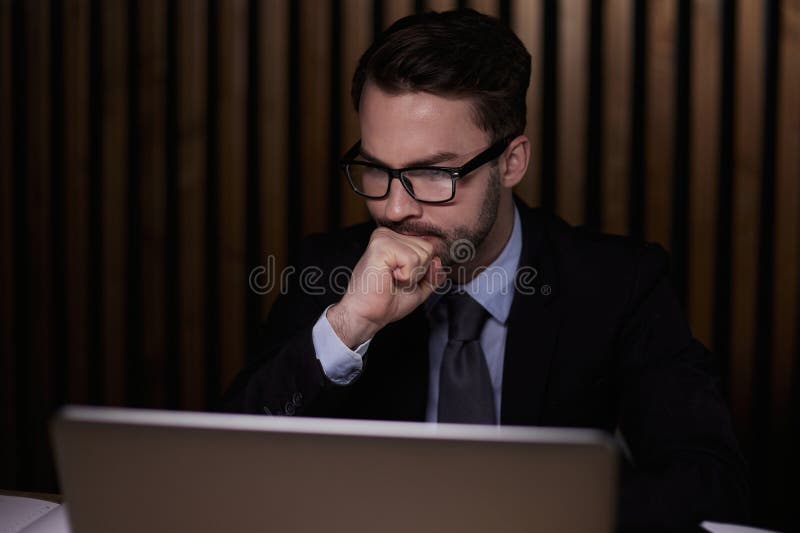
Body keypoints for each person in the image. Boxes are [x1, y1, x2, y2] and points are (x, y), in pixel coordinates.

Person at [223, 8, 748, 531]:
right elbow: (226, 466)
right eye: (378, 170)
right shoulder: (329, 269)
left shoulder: (618, 283)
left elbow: (707, 481)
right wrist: (347, 328)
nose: (396, 209)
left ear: (511, 162)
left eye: (432, 173)